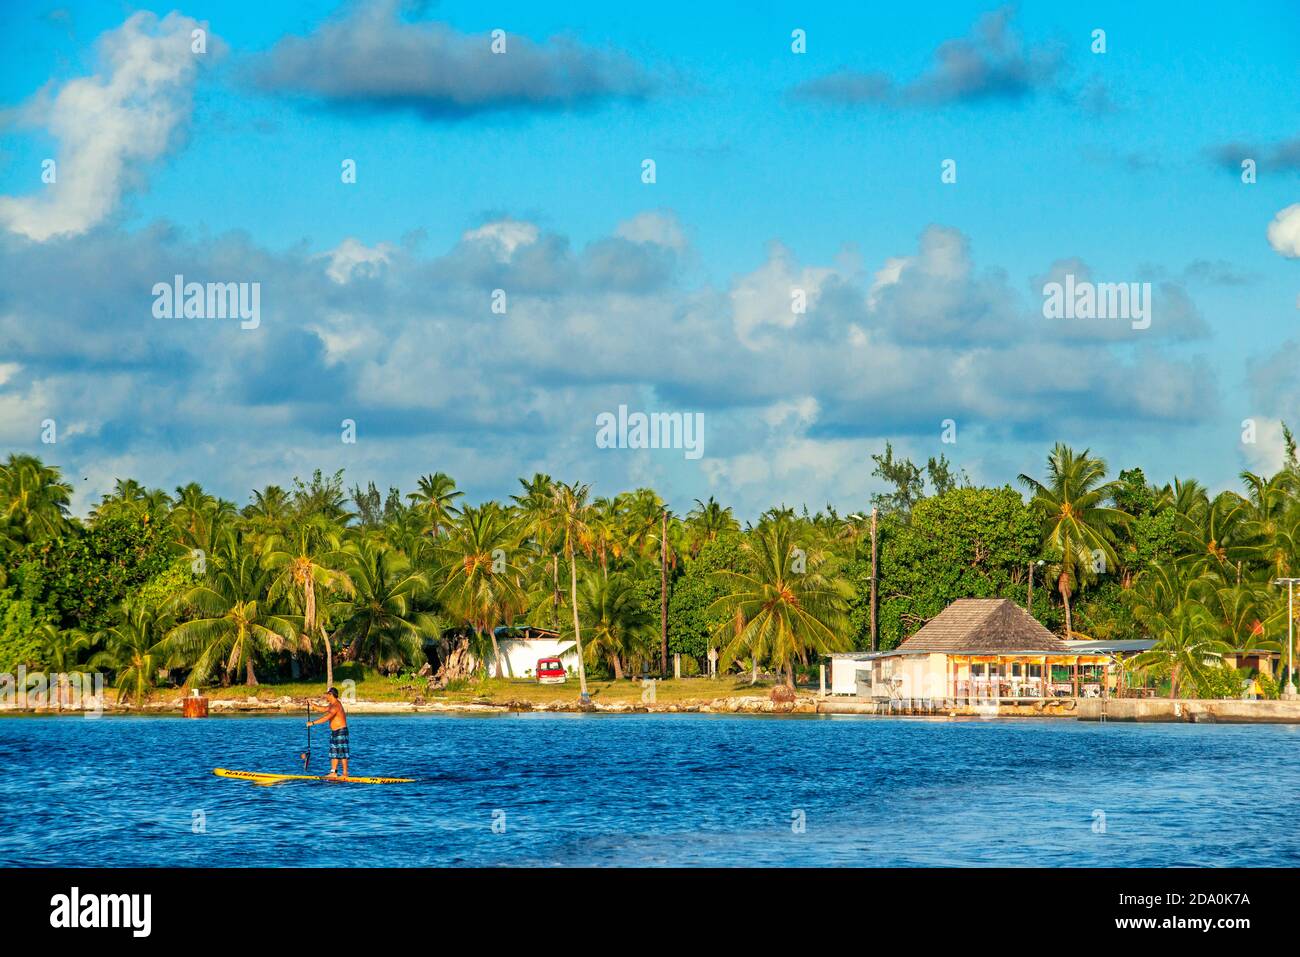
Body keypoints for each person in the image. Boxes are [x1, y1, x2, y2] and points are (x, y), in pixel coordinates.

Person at [307, 688, 349, 779]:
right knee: (333, 752)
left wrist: (313, 723)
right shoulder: (331, 705)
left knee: (342, 752)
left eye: (327, 695)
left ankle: (345, 773)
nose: (326, 696)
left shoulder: (336, 706)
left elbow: (327, 717)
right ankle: (333, 772)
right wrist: (312, 705)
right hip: (334, 732)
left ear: (331, 695)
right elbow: (323, 709)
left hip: (341, 731)